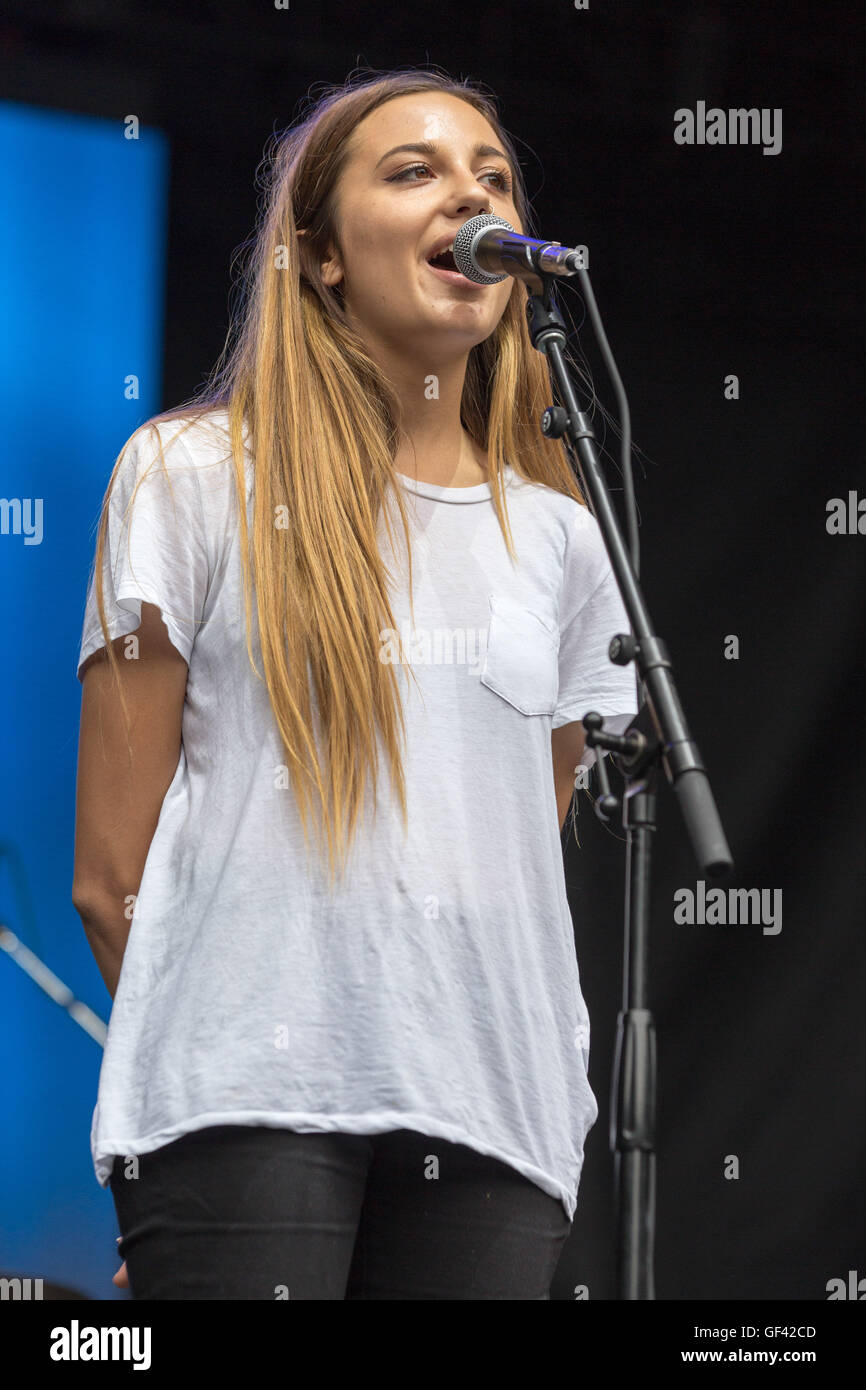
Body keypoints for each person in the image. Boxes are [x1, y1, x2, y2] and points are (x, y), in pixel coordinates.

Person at [72, 67, 639, 1300]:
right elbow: (109, 875)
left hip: (493, 1106)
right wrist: (220, 1050)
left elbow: (509, 848)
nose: (469, 197)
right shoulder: (186, 474)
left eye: (491, 177)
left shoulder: (558, 538)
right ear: (322, 257)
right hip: (243, 1097)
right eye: (413, 170)